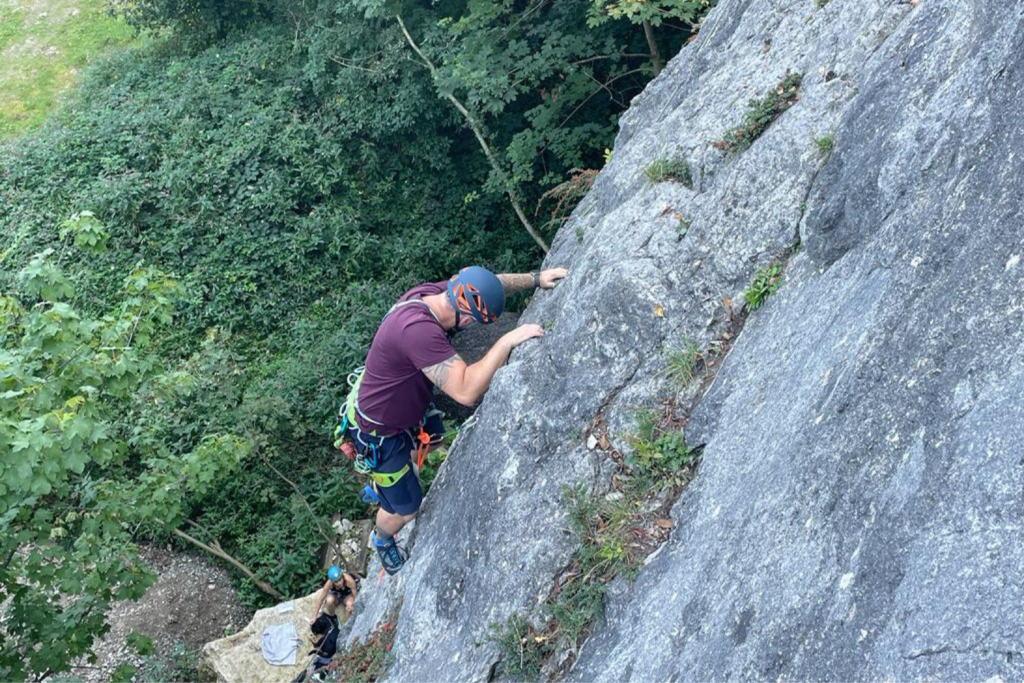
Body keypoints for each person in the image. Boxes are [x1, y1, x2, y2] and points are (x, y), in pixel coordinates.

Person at [339, 265, 567, 574]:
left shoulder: (439, 295)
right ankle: (382, 536)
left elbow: (490, 285)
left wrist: (535, 279)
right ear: (470, 318)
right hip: (381, 433)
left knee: (433, 440)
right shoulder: (417, 331)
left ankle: (384, 487)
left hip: (401, 406)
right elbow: (465, 391)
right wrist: (508, 340)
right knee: (407, 509)